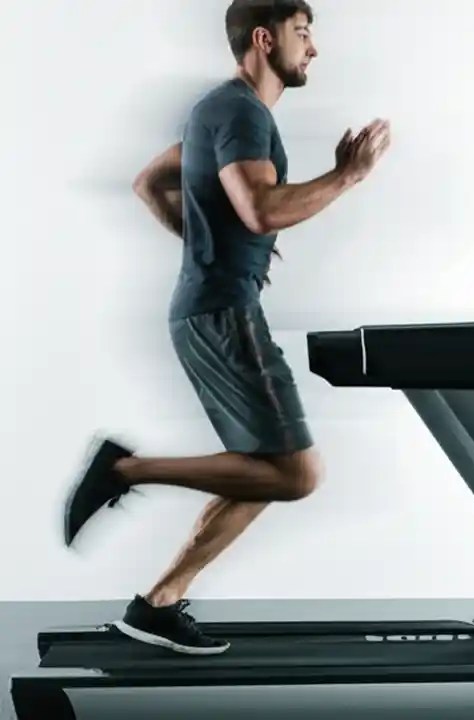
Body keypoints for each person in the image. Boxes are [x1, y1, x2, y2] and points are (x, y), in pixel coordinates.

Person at [62, 0, 392, 655]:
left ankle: (158, 604)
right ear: (265, 40)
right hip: (223, 314)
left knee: (262, 470)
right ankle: (124, 469)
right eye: (303, 33)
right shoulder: (241, 112)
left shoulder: (219, 110)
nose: (314, 49)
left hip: (208, 307)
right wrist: (347, 175)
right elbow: (260, 209)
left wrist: (214, 245)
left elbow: (150, 182)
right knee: (297, 474)